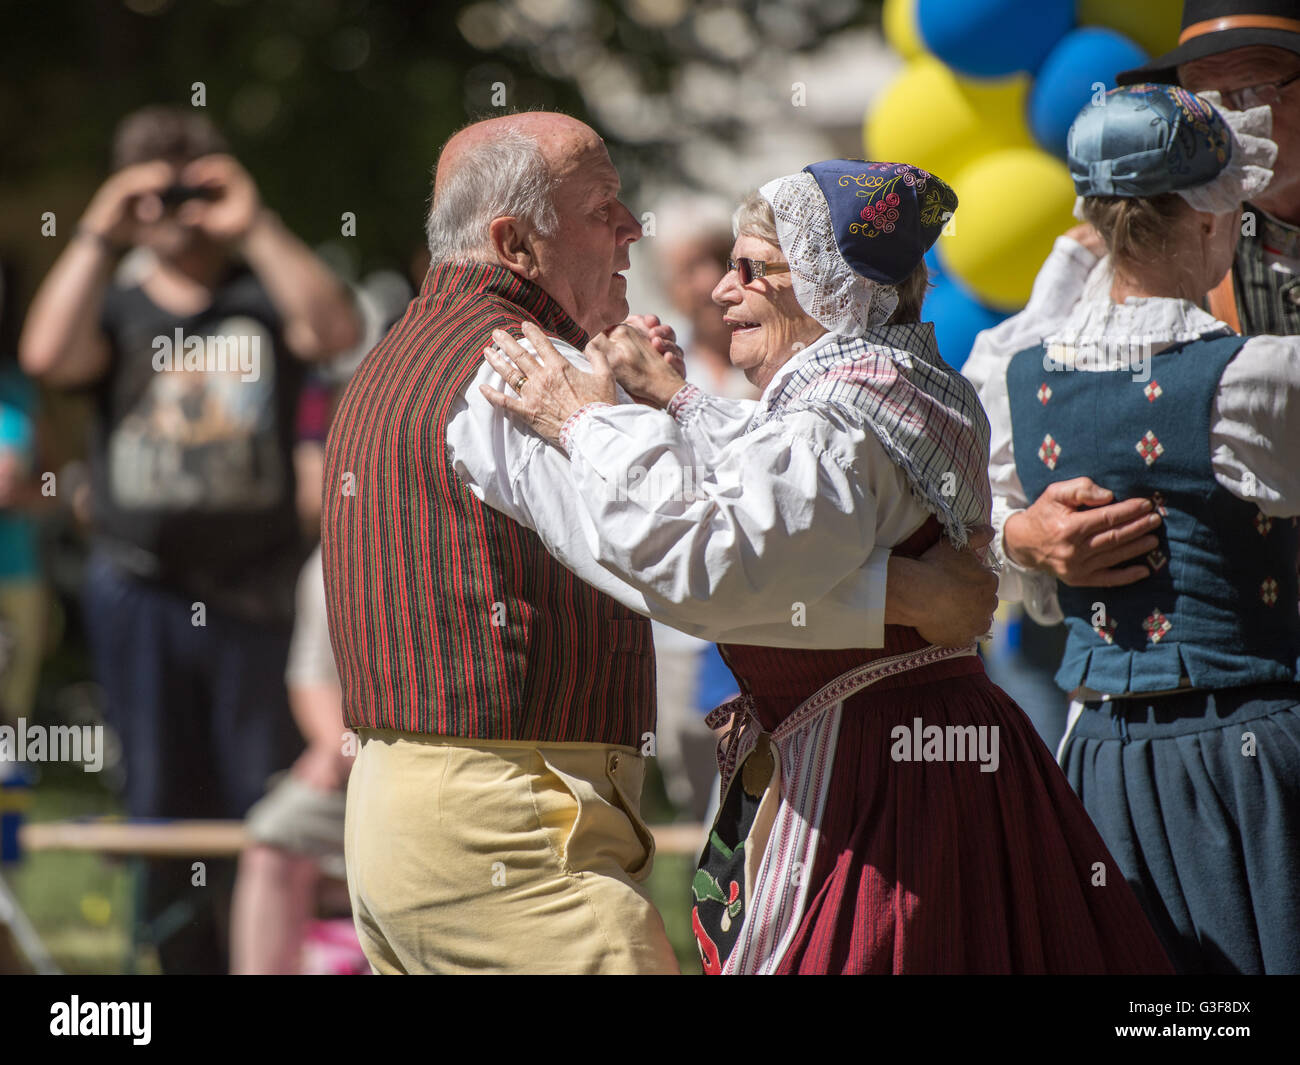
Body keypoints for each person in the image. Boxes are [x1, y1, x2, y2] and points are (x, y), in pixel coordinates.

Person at [323, 114, 998, 975]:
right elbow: (686, 561)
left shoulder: (416, 350)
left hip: (414, 817)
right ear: (513, 241)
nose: (634, 228)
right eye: (604, 207)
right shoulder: (517, 369)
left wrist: (663, 406)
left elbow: (720, 516)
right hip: (506, 825)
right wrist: (907, 596)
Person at [482, 158, 1173, 974]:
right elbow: (768, 473)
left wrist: (585, 420)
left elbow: (717, 564)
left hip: (886, 783)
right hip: (909, 754)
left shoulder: (841, 418)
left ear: (826, 285)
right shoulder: (880, 382)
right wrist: (673, 398)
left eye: (752, 271)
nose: (721, 293)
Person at [18, 106, 361, 973]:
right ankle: (175, 959)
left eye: (194, 188)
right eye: (156, 195)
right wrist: (100, 226)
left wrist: (256, 221)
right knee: (159, 798)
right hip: (144, 587)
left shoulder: (258, 291)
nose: (178, 211)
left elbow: (336, 334)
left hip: (253, 586)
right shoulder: (121, 300)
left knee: (266, 794)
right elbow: (46, 355)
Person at [987, 83, 1300, 974]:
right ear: (1204, 224)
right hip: (1242, 761)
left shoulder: (1020, 376)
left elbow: (957, 515)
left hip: (1097, 767)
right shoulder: (1256, 380)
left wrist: (1017, 537)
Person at [966, 0, 1300, 694]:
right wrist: (1020, 534)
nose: (1236, 119)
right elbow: (985, 418)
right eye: (1208, 95)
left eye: (1259, 89)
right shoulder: (1135, 252)